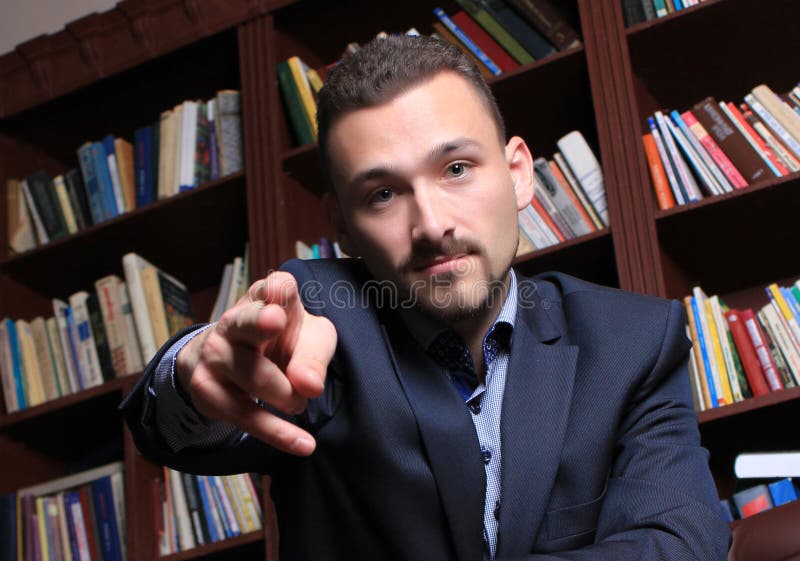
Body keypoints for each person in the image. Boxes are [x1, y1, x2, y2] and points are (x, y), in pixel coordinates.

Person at [120, 35, 730, 560]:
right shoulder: (312, 320)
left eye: (457, 169)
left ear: (519, 174)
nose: (432, 223)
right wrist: (195, 367)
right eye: (383, 194)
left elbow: (680, 542)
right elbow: (168, 431)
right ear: (342, 225)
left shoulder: (633, 341)